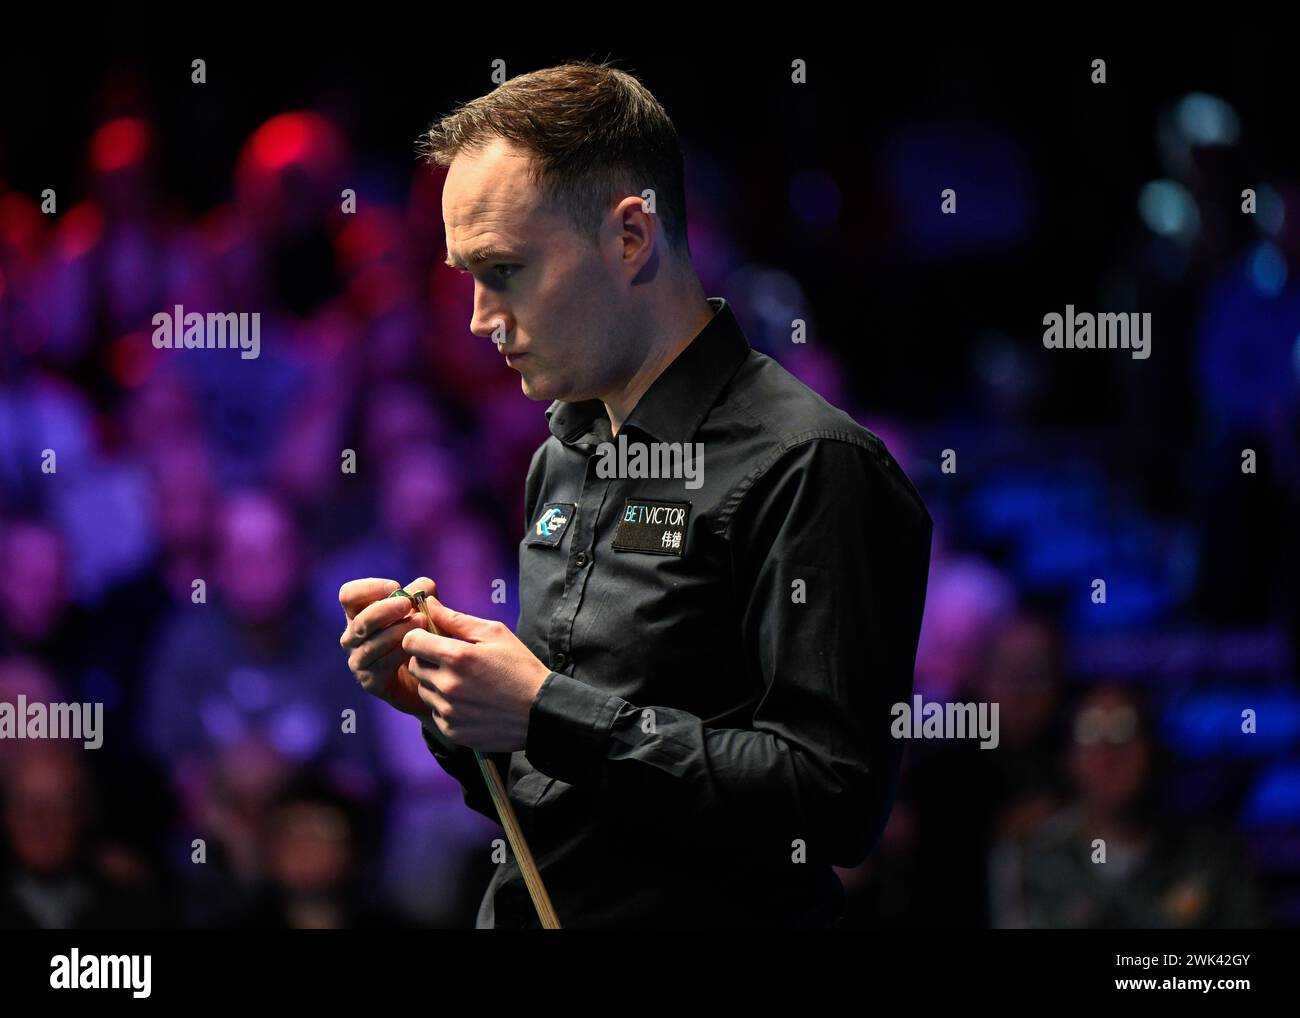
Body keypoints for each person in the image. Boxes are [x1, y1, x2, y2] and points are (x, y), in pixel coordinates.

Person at [338, 60, 932, 928]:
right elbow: (571, 797)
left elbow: (830, 803)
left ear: (629, 237)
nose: (476, 317)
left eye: (502, 270)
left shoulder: (813, 465)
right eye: (466, 274)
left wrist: (544, 708)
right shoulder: (563, 455)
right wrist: (450, 704)